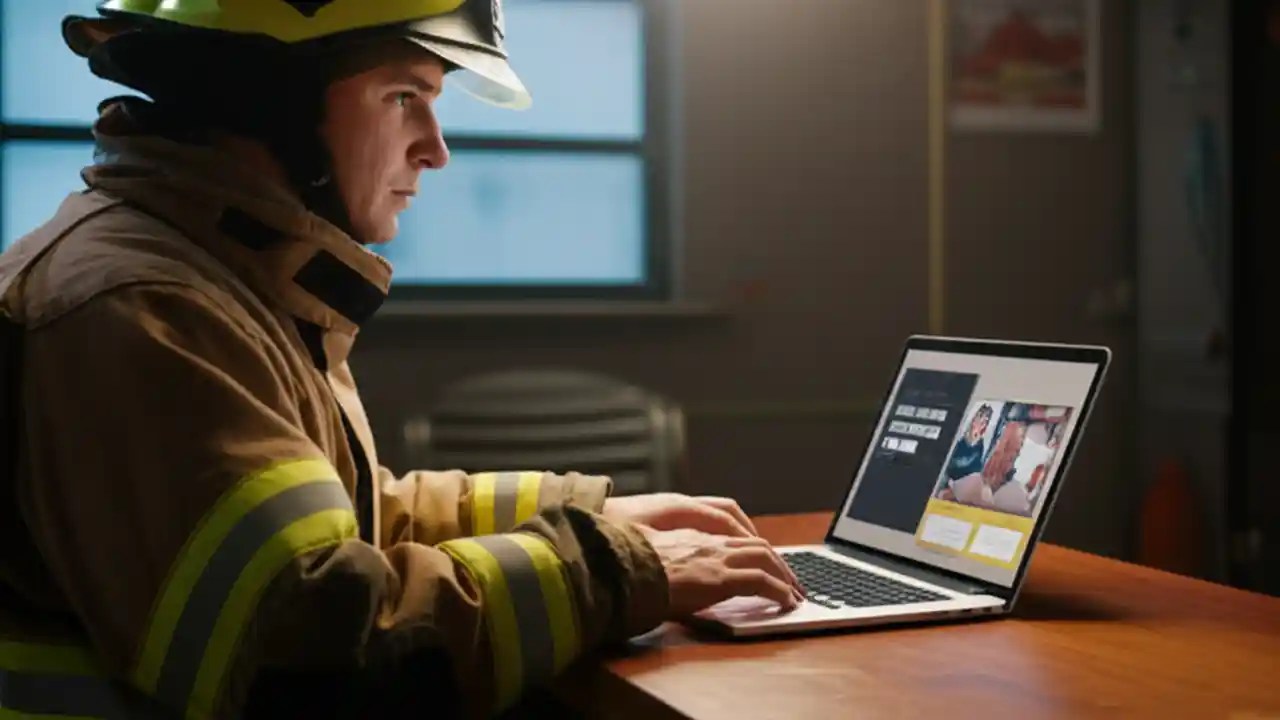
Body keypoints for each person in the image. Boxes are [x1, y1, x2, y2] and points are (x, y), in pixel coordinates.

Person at [0, 1, 804, 717]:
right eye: (403, 97)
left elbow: (347, 524)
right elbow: (309, 645)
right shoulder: (143, 307)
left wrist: (596, 514)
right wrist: (607, 569)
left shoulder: (208, 277)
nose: (436, 150)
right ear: (270, 96)